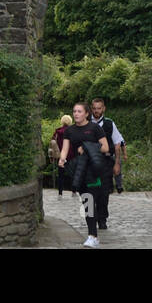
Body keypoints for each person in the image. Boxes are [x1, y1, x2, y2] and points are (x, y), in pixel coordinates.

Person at [57, 101, 111, 248]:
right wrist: (62, 159)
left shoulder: (95, 128)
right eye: (74, 111)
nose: (76, 114)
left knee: (97, 201)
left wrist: (87, 147)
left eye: (79, 111)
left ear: (87, 113)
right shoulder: (70, 131)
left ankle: (95, 231)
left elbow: (105, 147)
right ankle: (92, 236)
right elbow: (65, 148)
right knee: (88, 203)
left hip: (95, 170)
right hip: (80, 171)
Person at [89, 98, 124, 224]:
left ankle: (102, 218)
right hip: (90, 163)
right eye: (94, 108)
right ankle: (92, 217)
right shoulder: (86, 123)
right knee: (91, 191)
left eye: (99, 108)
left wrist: (117, 163)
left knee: (104, 192)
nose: (97, 111)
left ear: (103, 108)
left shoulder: (109, 124)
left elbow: (117, 144)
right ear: (91, 109)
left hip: (106, 162)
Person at [48, 114, 73, 196]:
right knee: (72, 174)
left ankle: (60, 192)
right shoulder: (72, 131)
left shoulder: (57, 131)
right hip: (70, 155)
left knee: (61, 175)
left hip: (60, 155)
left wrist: (52, 155)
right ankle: (74, 190)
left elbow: (52, 143)